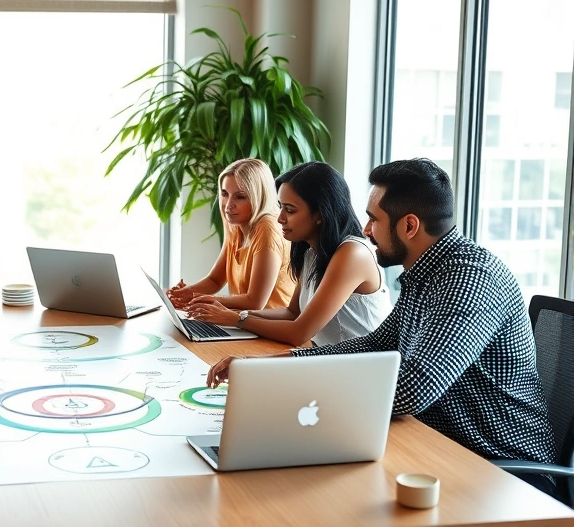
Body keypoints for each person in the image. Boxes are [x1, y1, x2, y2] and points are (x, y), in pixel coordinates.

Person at [206, 159, 556, 489]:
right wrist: (263, 370)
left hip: (499, 468)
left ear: (409, 225)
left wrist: (289, 383)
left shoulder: (469, 278)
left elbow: (411, 390)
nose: (365, 229)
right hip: (436, 443)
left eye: (374, 219)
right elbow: (375, 344)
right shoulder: (426, 273)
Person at [188, 162, 391, 346]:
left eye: (290, 210)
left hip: (363, 372)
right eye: (281, 208)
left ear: (320, 213)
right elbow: (292, 313)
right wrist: (229, 313)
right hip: (332, 362)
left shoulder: (352, 253)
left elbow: (299, 332)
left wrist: (236, 319)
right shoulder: (311, 252)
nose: (280, 219)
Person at [166, 158, 294, 314]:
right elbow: (215, 280)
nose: (228, 204)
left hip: (271, 330)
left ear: (259, 197)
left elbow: (255, 302)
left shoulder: (267, 228)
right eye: (225, 194)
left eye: (240, 197)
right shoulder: (236, 227)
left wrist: (200, 299)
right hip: (243, 323)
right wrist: (185, 293)